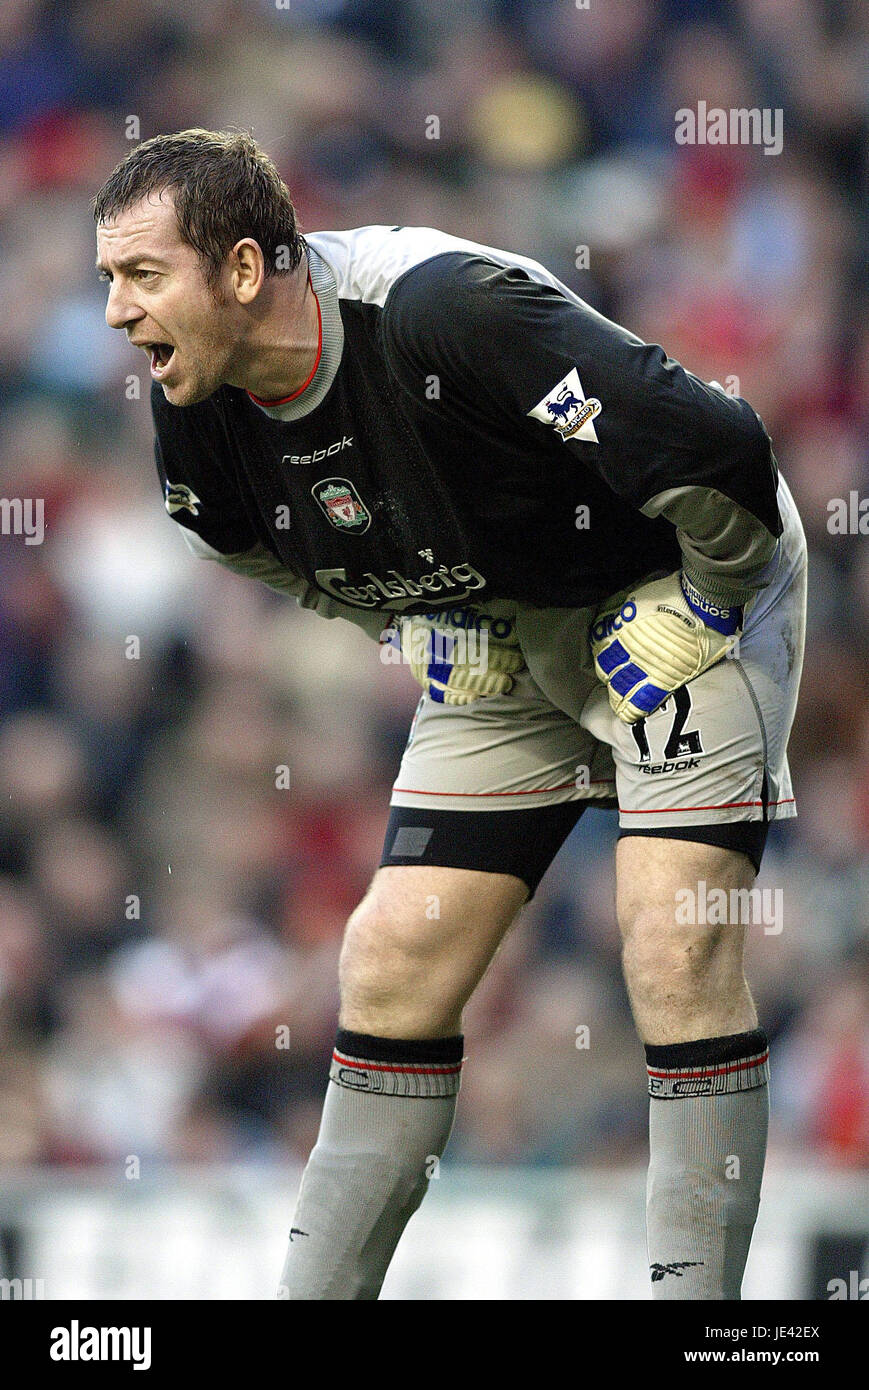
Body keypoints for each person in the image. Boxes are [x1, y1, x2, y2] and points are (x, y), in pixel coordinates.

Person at [93, 128, 807, 1300]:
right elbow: (252, 546)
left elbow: (718, 445)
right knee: (390, 958)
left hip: (669, 578)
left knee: (672, 942)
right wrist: (404, 619)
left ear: (240, 268)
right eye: (109, 280)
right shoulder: (199, 407)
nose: (119, 312)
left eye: (141, 275)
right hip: (501, 622)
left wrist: (709, 601)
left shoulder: (441, 311)